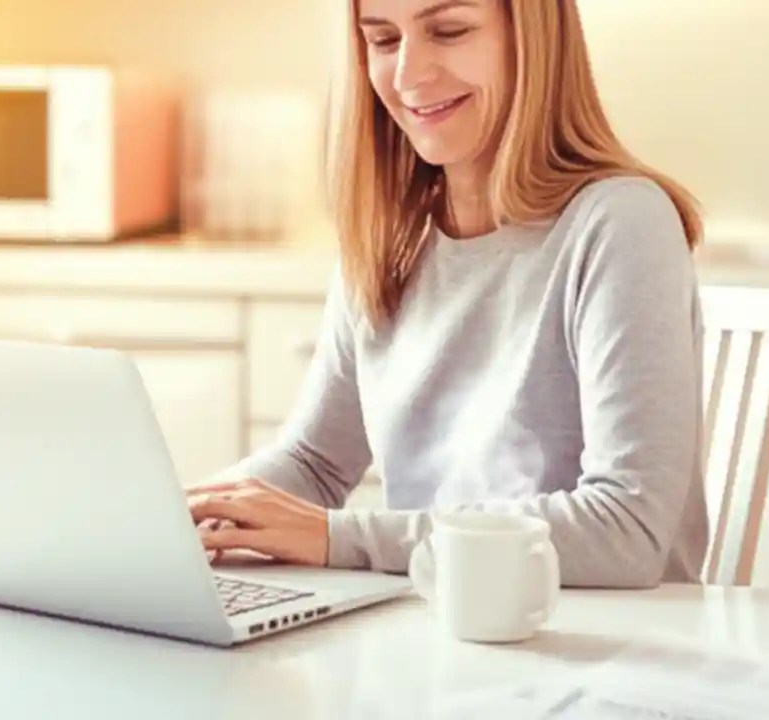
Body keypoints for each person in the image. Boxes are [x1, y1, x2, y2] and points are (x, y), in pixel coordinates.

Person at [187, 0, 707, 588]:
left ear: (532, 37)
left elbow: (625, 532)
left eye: (449, 30)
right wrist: (192, 517)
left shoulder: (620, 223)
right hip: (441, 635)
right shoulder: (393, 239)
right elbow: (314, 462)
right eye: (383, 41)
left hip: (612, 650)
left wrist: (338, 538)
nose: (409, 75)